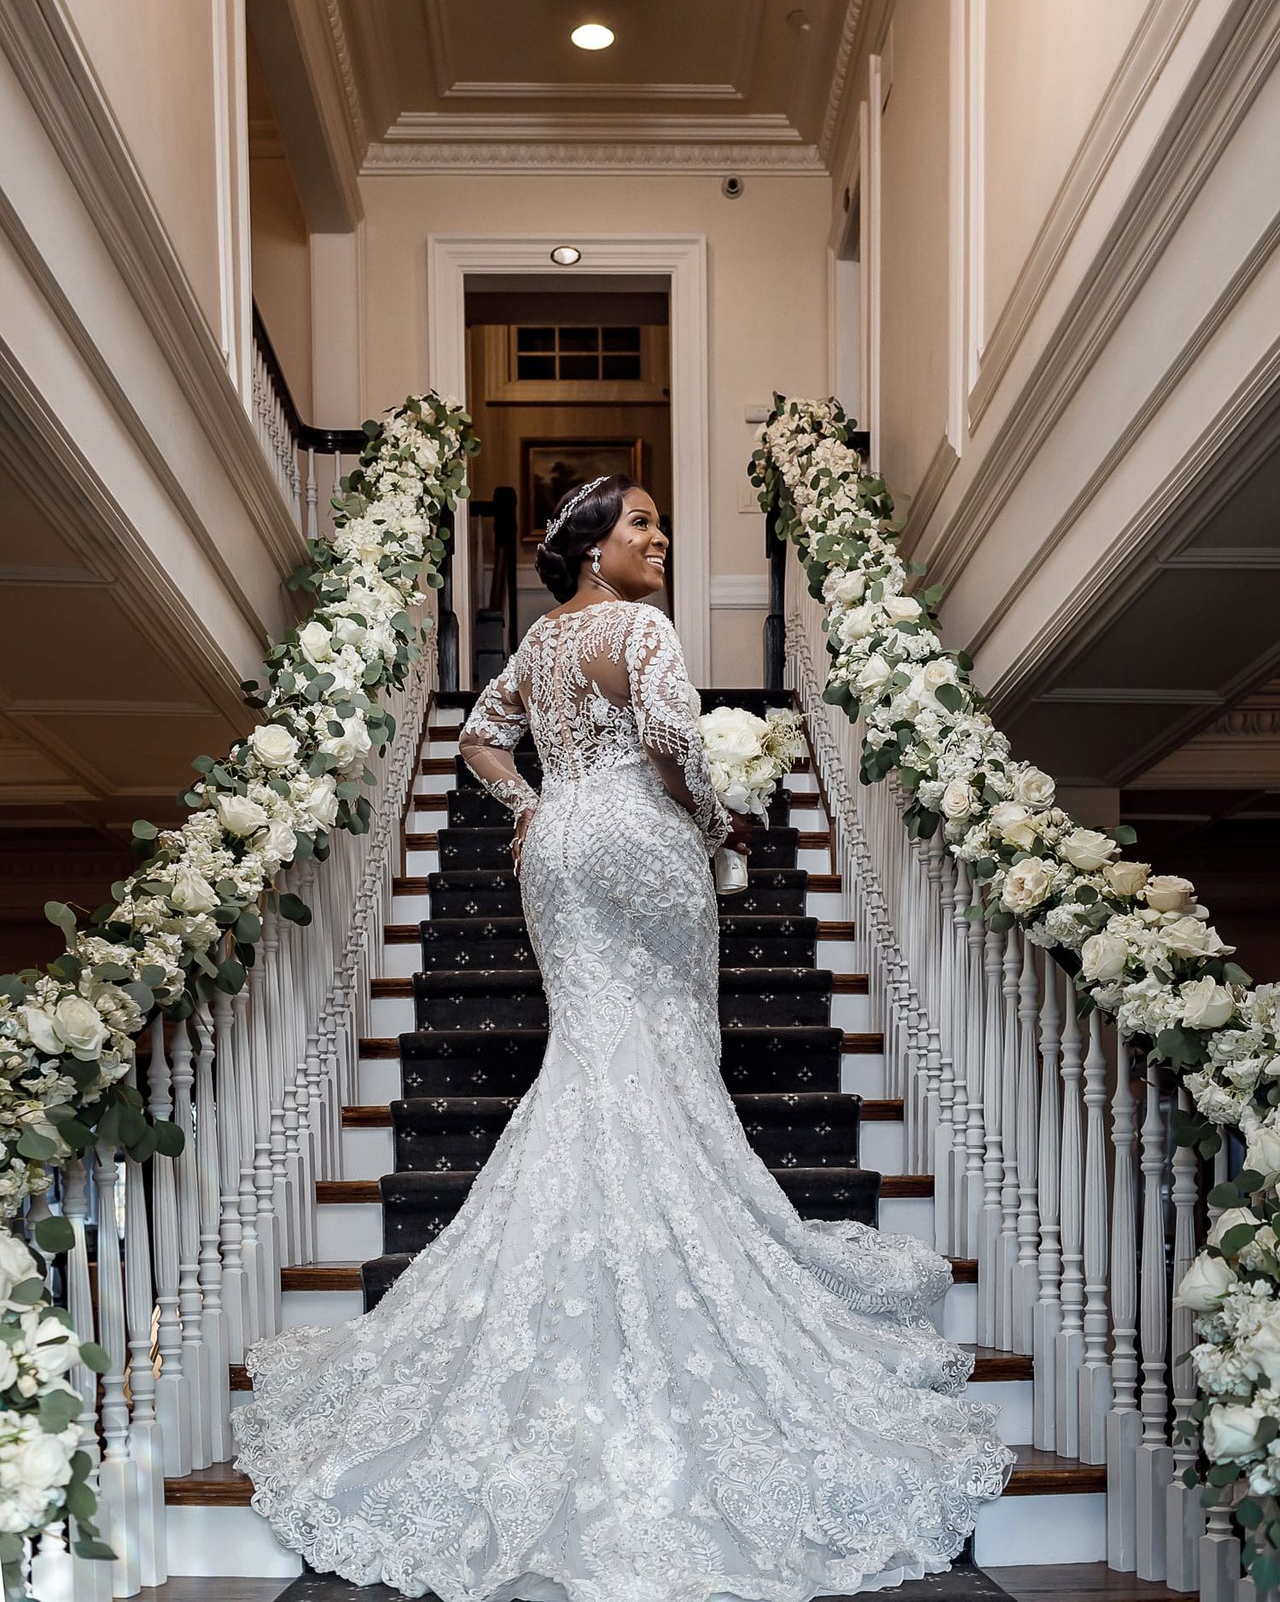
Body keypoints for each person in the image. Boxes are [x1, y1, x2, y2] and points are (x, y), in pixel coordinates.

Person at [231, 473, 1015, 1602]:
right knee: (660, 1050)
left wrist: (531, 811)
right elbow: (666, 735)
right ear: (591, 547)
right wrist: (713, 815)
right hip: (640, 839)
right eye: (641, 523)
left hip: (559, 848)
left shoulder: (541, 648)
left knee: (593, 1049)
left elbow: (479, 743)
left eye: (655, 520)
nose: (659, 539)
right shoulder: (638, 627)